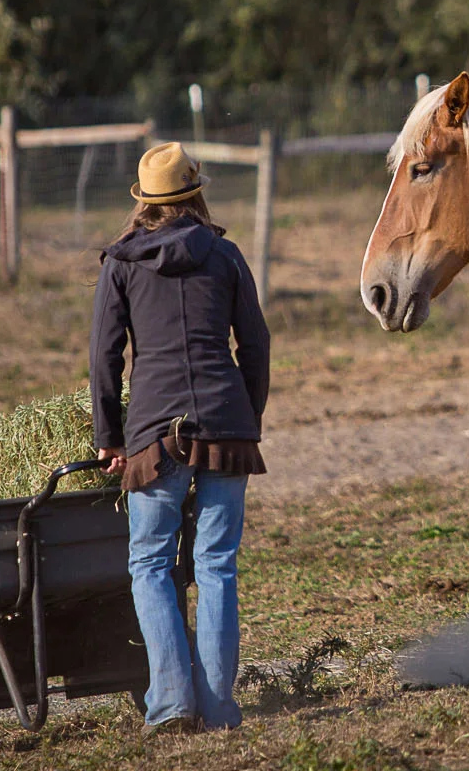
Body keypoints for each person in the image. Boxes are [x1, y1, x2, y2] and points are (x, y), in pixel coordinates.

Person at [90, 141, 270, 734]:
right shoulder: (226, 255)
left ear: (144, 202)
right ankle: (218, 710)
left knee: (150, 563)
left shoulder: (121, 263)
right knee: (216, 564)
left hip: (152, 433)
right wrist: (249, 419)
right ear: (195, 192)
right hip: (227, 425)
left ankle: (171, 705)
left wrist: (110, 438)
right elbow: (257, 344)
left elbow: (104, 358)